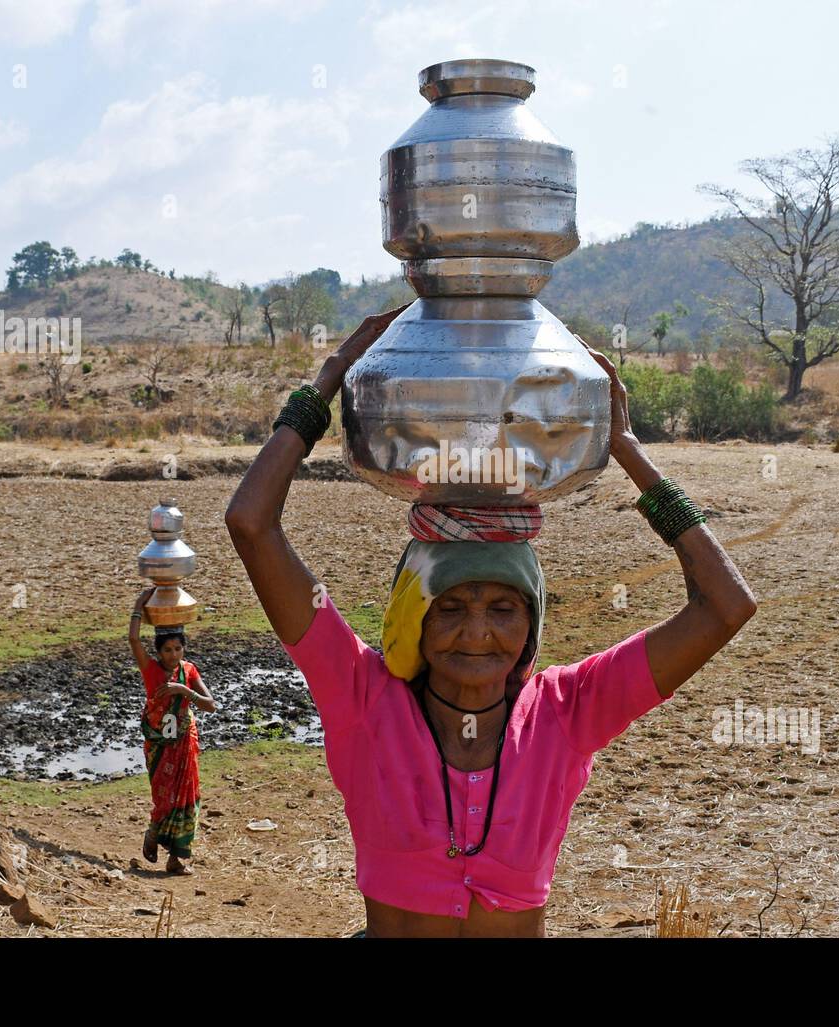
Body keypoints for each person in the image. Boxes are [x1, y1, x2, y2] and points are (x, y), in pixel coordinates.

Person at [224, 308, 758, 937]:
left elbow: (727, 605)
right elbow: (251, 525)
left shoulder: (569, 710)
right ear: (413, 617)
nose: (477, 634)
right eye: (449, 608)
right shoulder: (363, 698)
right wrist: (327, 383)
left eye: (503, 610)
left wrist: (625, 448)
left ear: (530, 624)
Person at [129, 587, 217, 875]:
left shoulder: (188, 671)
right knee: (163, 797)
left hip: (184, 742)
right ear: (158, 652)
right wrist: (139, 607)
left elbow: (210, 705)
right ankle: (153, 833)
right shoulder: (151, 670)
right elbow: (133, 639)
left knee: (187, 798)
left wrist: (184, 691)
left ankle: (176, 859)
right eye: (167, 649)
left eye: (178, 648)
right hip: (159, 744)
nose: (173, 654)